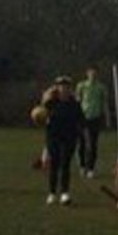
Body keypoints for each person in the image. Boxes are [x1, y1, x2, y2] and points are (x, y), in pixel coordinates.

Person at [42, 76, 85, 205]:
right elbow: (41, 113)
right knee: (54, 164)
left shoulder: (74, 103)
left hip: (69, 137)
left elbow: (81, 119)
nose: (63, 88)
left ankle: (65, 193)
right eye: (60, 86)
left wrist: (79, 132)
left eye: (65, 86)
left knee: (65, 163)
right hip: (53, 136)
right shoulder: (51, 102)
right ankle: (52, 193)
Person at [75, 66, 109, 179]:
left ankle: (91, 168)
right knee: (82, 142)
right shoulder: (82, 86)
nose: (93, 75)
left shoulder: (101, 88)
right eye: (91, 73)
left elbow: (104, 103)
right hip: (83, 116)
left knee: (93, 144)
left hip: (95, 117)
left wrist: (107, 117)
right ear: (87, 73)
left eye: (95, 73)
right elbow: (77, 100)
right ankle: (82, 166)